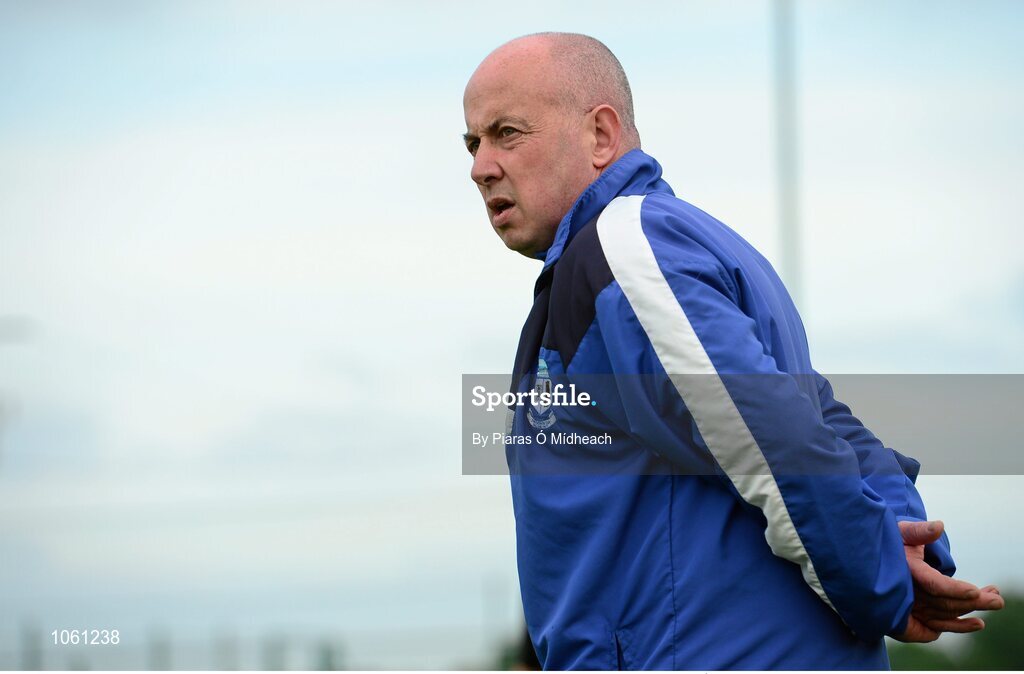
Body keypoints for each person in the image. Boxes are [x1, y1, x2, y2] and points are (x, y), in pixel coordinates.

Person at [462, 32, 1003, 669]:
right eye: (473, 144)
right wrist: (901, 549)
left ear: (601, 136)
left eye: (507, 133)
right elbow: (822, 419)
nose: (481, 167)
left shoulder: (626, 251)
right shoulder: (659, 249)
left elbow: (779, 441)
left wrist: (883, 579)